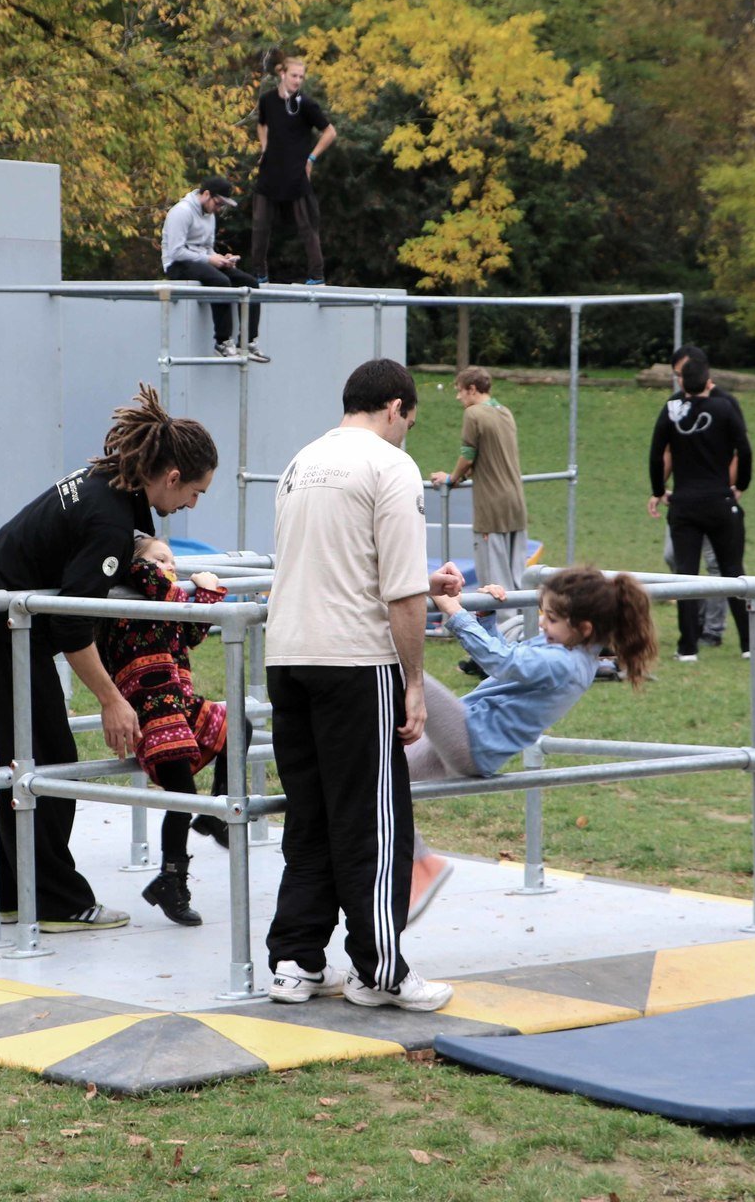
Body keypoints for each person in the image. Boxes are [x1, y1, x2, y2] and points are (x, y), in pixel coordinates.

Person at [0, 385, 218, 933]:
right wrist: (112, 701)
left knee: (12, 759)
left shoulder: (108, 485)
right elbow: (71, 622)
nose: (191, 506)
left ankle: (15, 893)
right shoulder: (109, 517)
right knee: (43, 761)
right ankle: (55, 901)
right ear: (171, 478)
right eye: (195, 493)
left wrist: (136, 550)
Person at [265, 358, 463, 1013]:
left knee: (312, 815)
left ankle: (295, 961)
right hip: (355, 660)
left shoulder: (300, 463)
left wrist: (408, 580)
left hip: (288, 655)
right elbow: (401, 594)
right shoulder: (390, 465)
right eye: (410, 419)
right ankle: (379, 970)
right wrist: (413, 684)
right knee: (374, 823)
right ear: (396, 408)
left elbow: (333, 562)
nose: (408, 430)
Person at [405, 569, 657, 919]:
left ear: (584, 629)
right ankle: (422, 865)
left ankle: (419, 865)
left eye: (551, 618)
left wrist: (455, 612)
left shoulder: (565, 664)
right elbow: (505, 660)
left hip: (470, 739)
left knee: (404, 667)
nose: (541, 623)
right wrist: (484, 616)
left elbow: (505, 663)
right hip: (467, 737)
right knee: (377, 777)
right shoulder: (559, 647)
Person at [96, 536, 231, 927]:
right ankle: (172, 878)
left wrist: (202, 596)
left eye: (172, 560)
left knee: (237, 725)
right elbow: (148, 576)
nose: (169, 566)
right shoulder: (133, 585)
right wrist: (200, 587)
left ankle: (215, 813)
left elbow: (192, 632)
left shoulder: (165, 599)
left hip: (180, 704)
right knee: (182, 796)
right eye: (161, 558)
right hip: (153, 711)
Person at [647, 354, 755, 661]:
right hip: (719, 502)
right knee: (734, 574)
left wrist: (659, 490)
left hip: (684, 504)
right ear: (708, 380)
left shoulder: (671, 409)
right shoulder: (724, 407)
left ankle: (687, 647)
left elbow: (655, 452)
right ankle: (749, 644)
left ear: (681, 381)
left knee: (685, 576)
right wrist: (740, 485)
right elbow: (744, 449)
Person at [430, 366, 529, 663]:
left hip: (492, 507)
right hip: (516, 504)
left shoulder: (474, 415)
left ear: (473, 389)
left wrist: (450, 478)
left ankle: (503, 649)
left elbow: (469, 454)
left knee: (495, 583)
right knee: (517, 578)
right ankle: (524, 638)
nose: (459, 397)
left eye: (460, 390)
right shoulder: (504, 412)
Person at [663, 345, 742, 647]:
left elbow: (739, 451)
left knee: (716, 564)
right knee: (674, 558)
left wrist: (731, 487)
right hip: (684, 500)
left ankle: (713, 629)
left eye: (682, 374)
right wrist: (659, 488)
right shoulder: (674, 405)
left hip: (716, 500)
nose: (680, 381)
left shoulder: (725, 403)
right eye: (676, 375)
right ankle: (692, 622)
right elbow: (667, 451)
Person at [249, 56, 336, 286]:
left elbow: (329, 132)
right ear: (283, 74)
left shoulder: (305, 104)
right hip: (270, 171)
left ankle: (316, 276)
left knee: (307, 225)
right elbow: (261, 124)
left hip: (296, 172)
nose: (297, 80)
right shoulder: (267, 100)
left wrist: (311, 158)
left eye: (301, 77)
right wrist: (265, 147)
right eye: (294, 75)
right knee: (260, 225)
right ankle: (259, 273)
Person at [161, 175, 267, 362]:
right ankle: (223, 341)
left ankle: (248, 342)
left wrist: (222, 259)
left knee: (250, 283)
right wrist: (209, 259)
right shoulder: (182, 212)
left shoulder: (209, 216)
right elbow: (176, 251)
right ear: (206, 194)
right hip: (177, 265)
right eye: (218, 204)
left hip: (201, 260)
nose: (219, 209)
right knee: (221, 282)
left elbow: (207, 248)